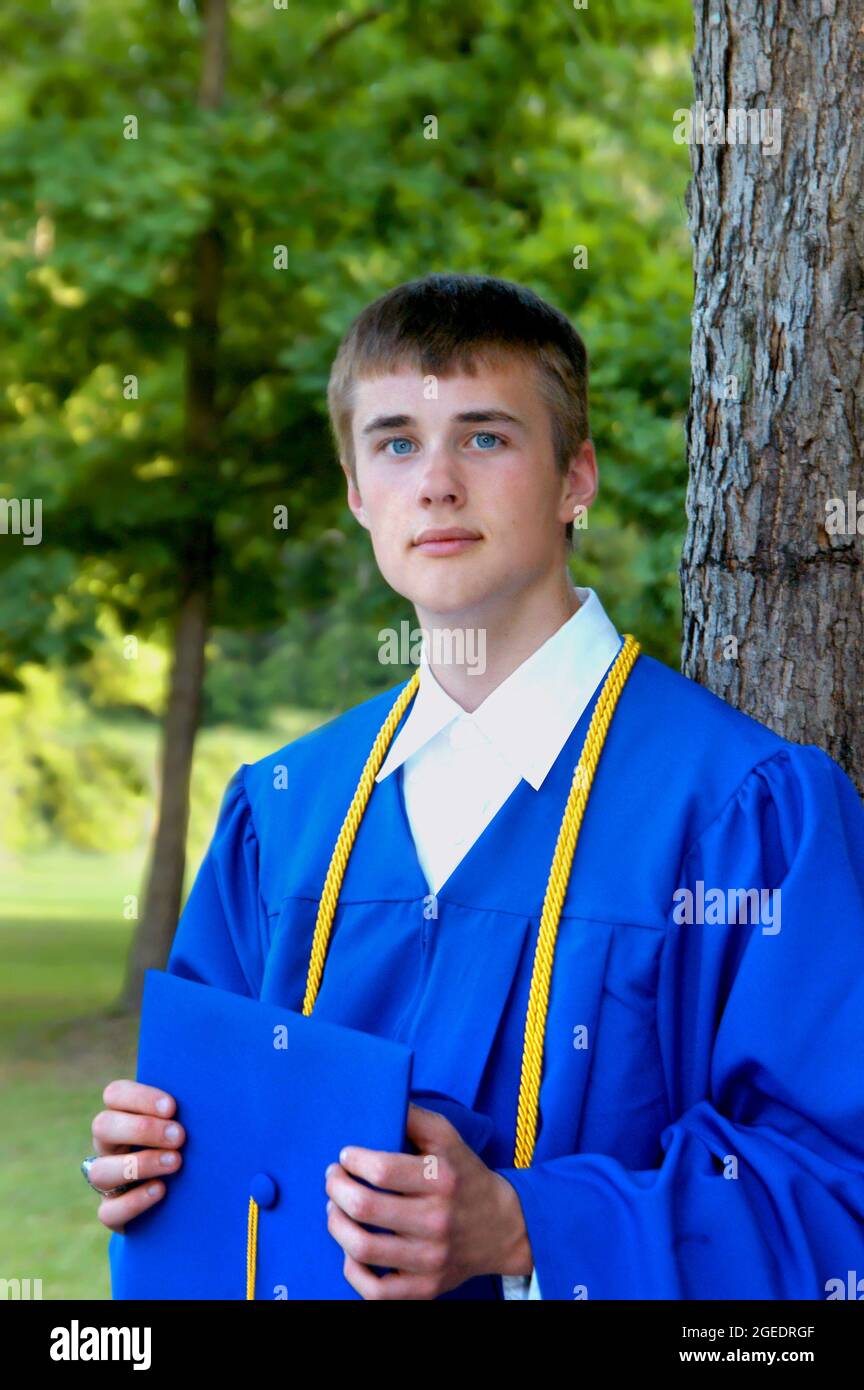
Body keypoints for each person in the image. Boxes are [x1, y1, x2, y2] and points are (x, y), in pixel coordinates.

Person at [86, 273, 864, 1300]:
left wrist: (526, 1227)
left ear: (574, 475)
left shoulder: (742, 812)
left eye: (486, 436)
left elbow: (835, 1197)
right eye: (397, 441)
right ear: (357, 492)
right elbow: (206, 1195)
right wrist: (149, 1158)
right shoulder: (282, 814)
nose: (437, 483)